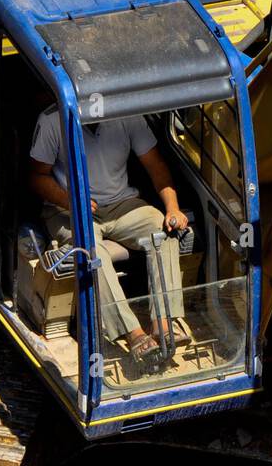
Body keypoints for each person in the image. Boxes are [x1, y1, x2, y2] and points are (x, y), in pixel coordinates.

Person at [30, 109, 190, 372]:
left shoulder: (128, 113)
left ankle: (163, 322)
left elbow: (156, 165)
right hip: (67, 208)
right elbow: (36, 177)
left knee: (162, 231)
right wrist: (70, 201)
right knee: (92, 251)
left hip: (122, 204)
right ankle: (134, 334)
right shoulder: (51, 121)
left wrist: (172, 209)